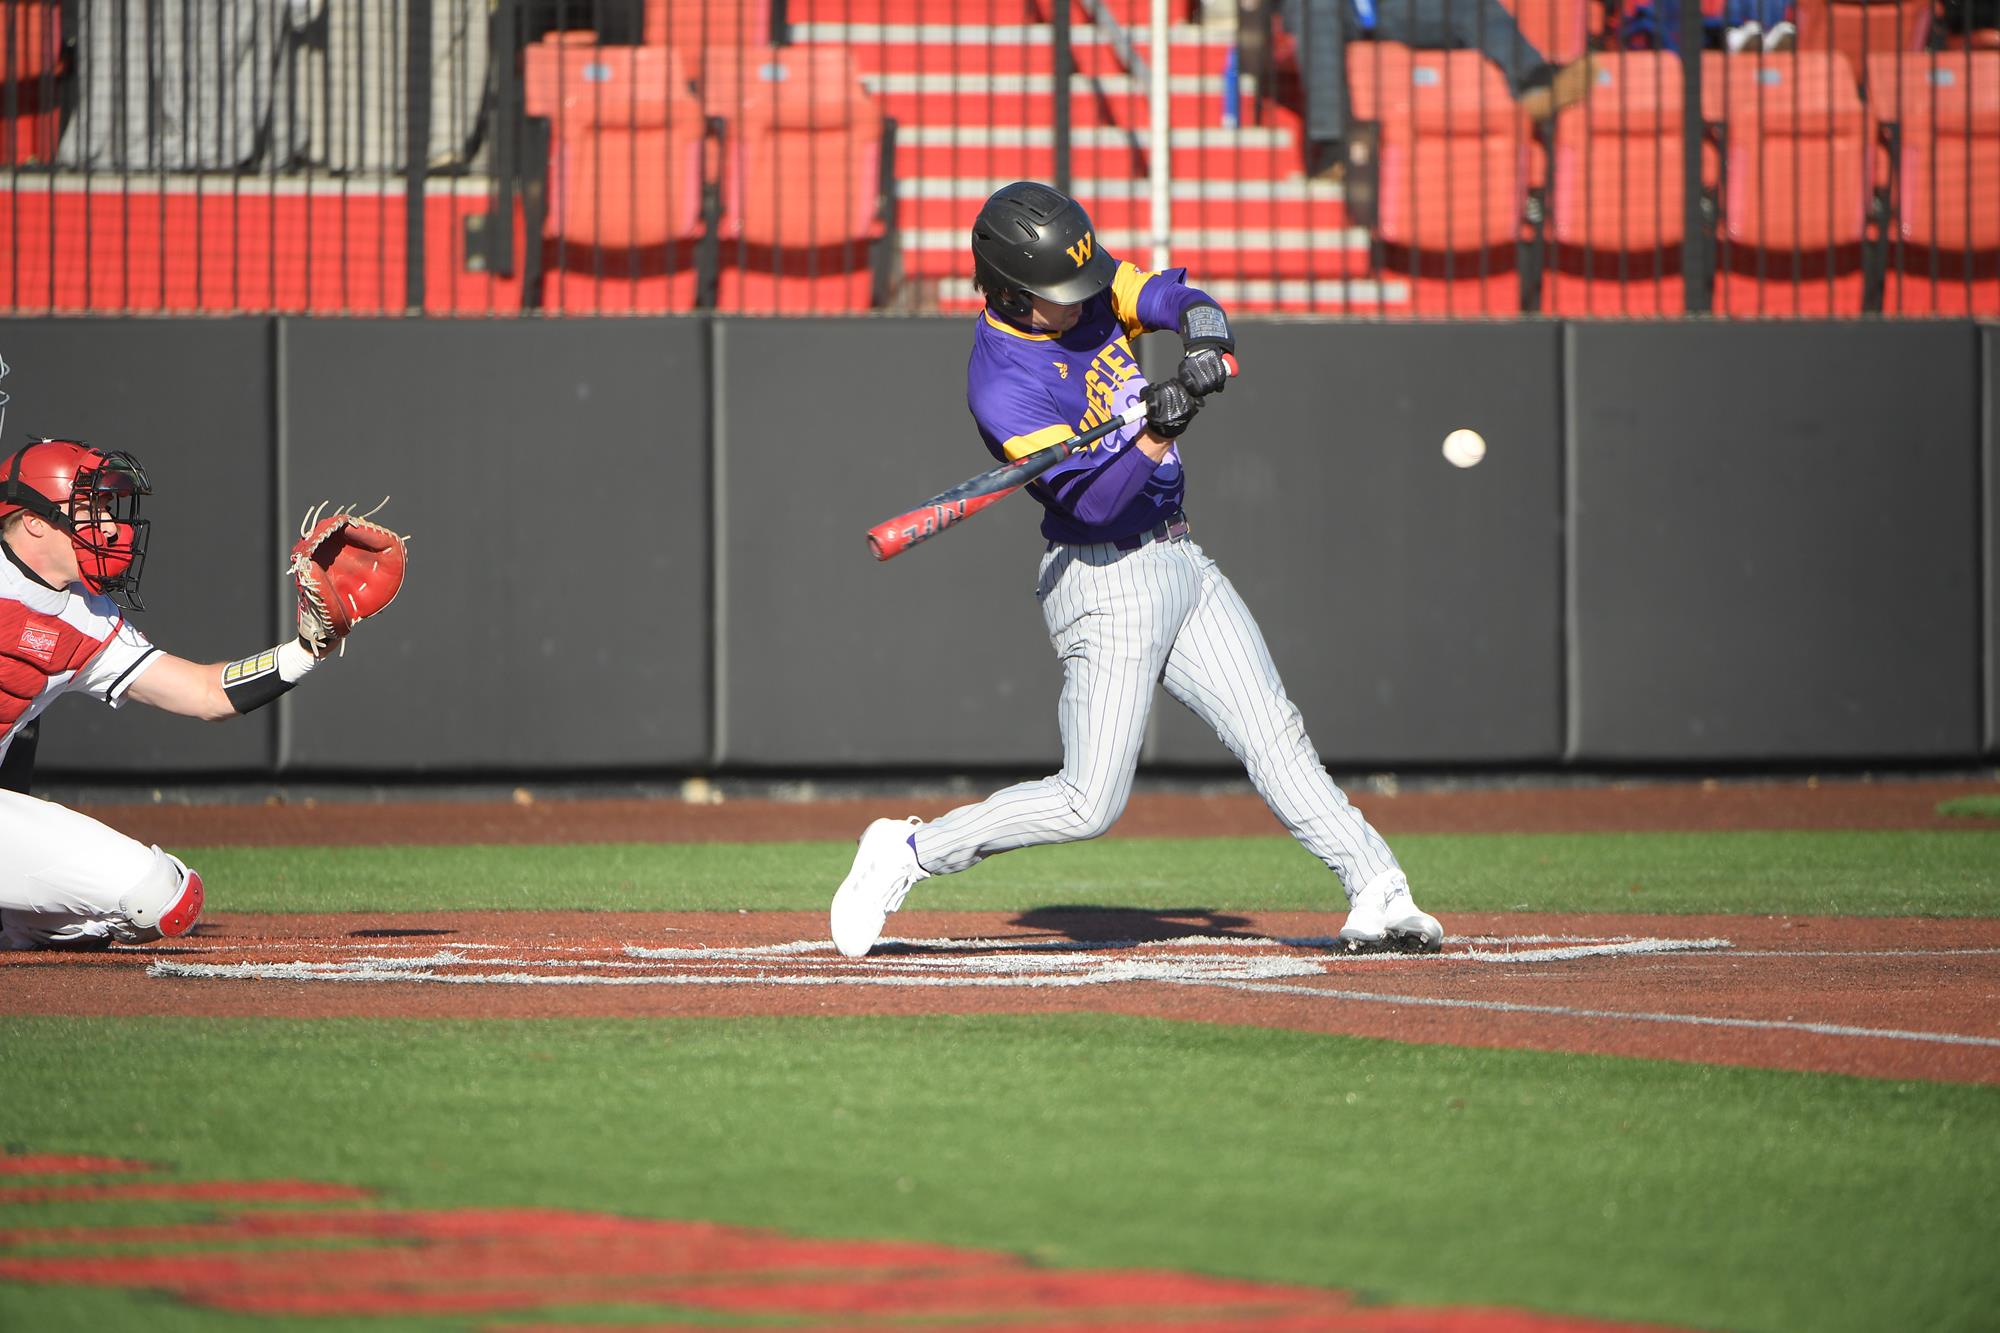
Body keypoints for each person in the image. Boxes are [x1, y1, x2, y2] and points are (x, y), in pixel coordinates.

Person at [829, 181, 1443, 960]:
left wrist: (1203, 337)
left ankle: (1378, 886)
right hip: (1103, 579)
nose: (1081, 301)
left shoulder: (1082, 288)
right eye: (1060, 293)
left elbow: (1172, 297)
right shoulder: (1003, 386)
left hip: (1179, 556)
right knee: (1088, 802)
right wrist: (1157, 431)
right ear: (1012, 292)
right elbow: (1095, 504)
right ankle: (910, 851)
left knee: (1273, 732)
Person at [0, 439, 326, 951]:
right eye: (90, 507)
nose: (111, 526)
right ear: (36, 522)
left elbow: (205, 693)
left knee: (161, 899)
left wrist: (306, 650)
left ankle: (14, 924)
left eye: (107, 508)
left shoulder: (89, 616)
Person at [1277, 0, 1600, 179]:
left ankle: (1536, 83)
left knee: (1467, 5)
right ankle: (1334, 149)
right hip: (1321, 9)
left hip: (1383, 9)